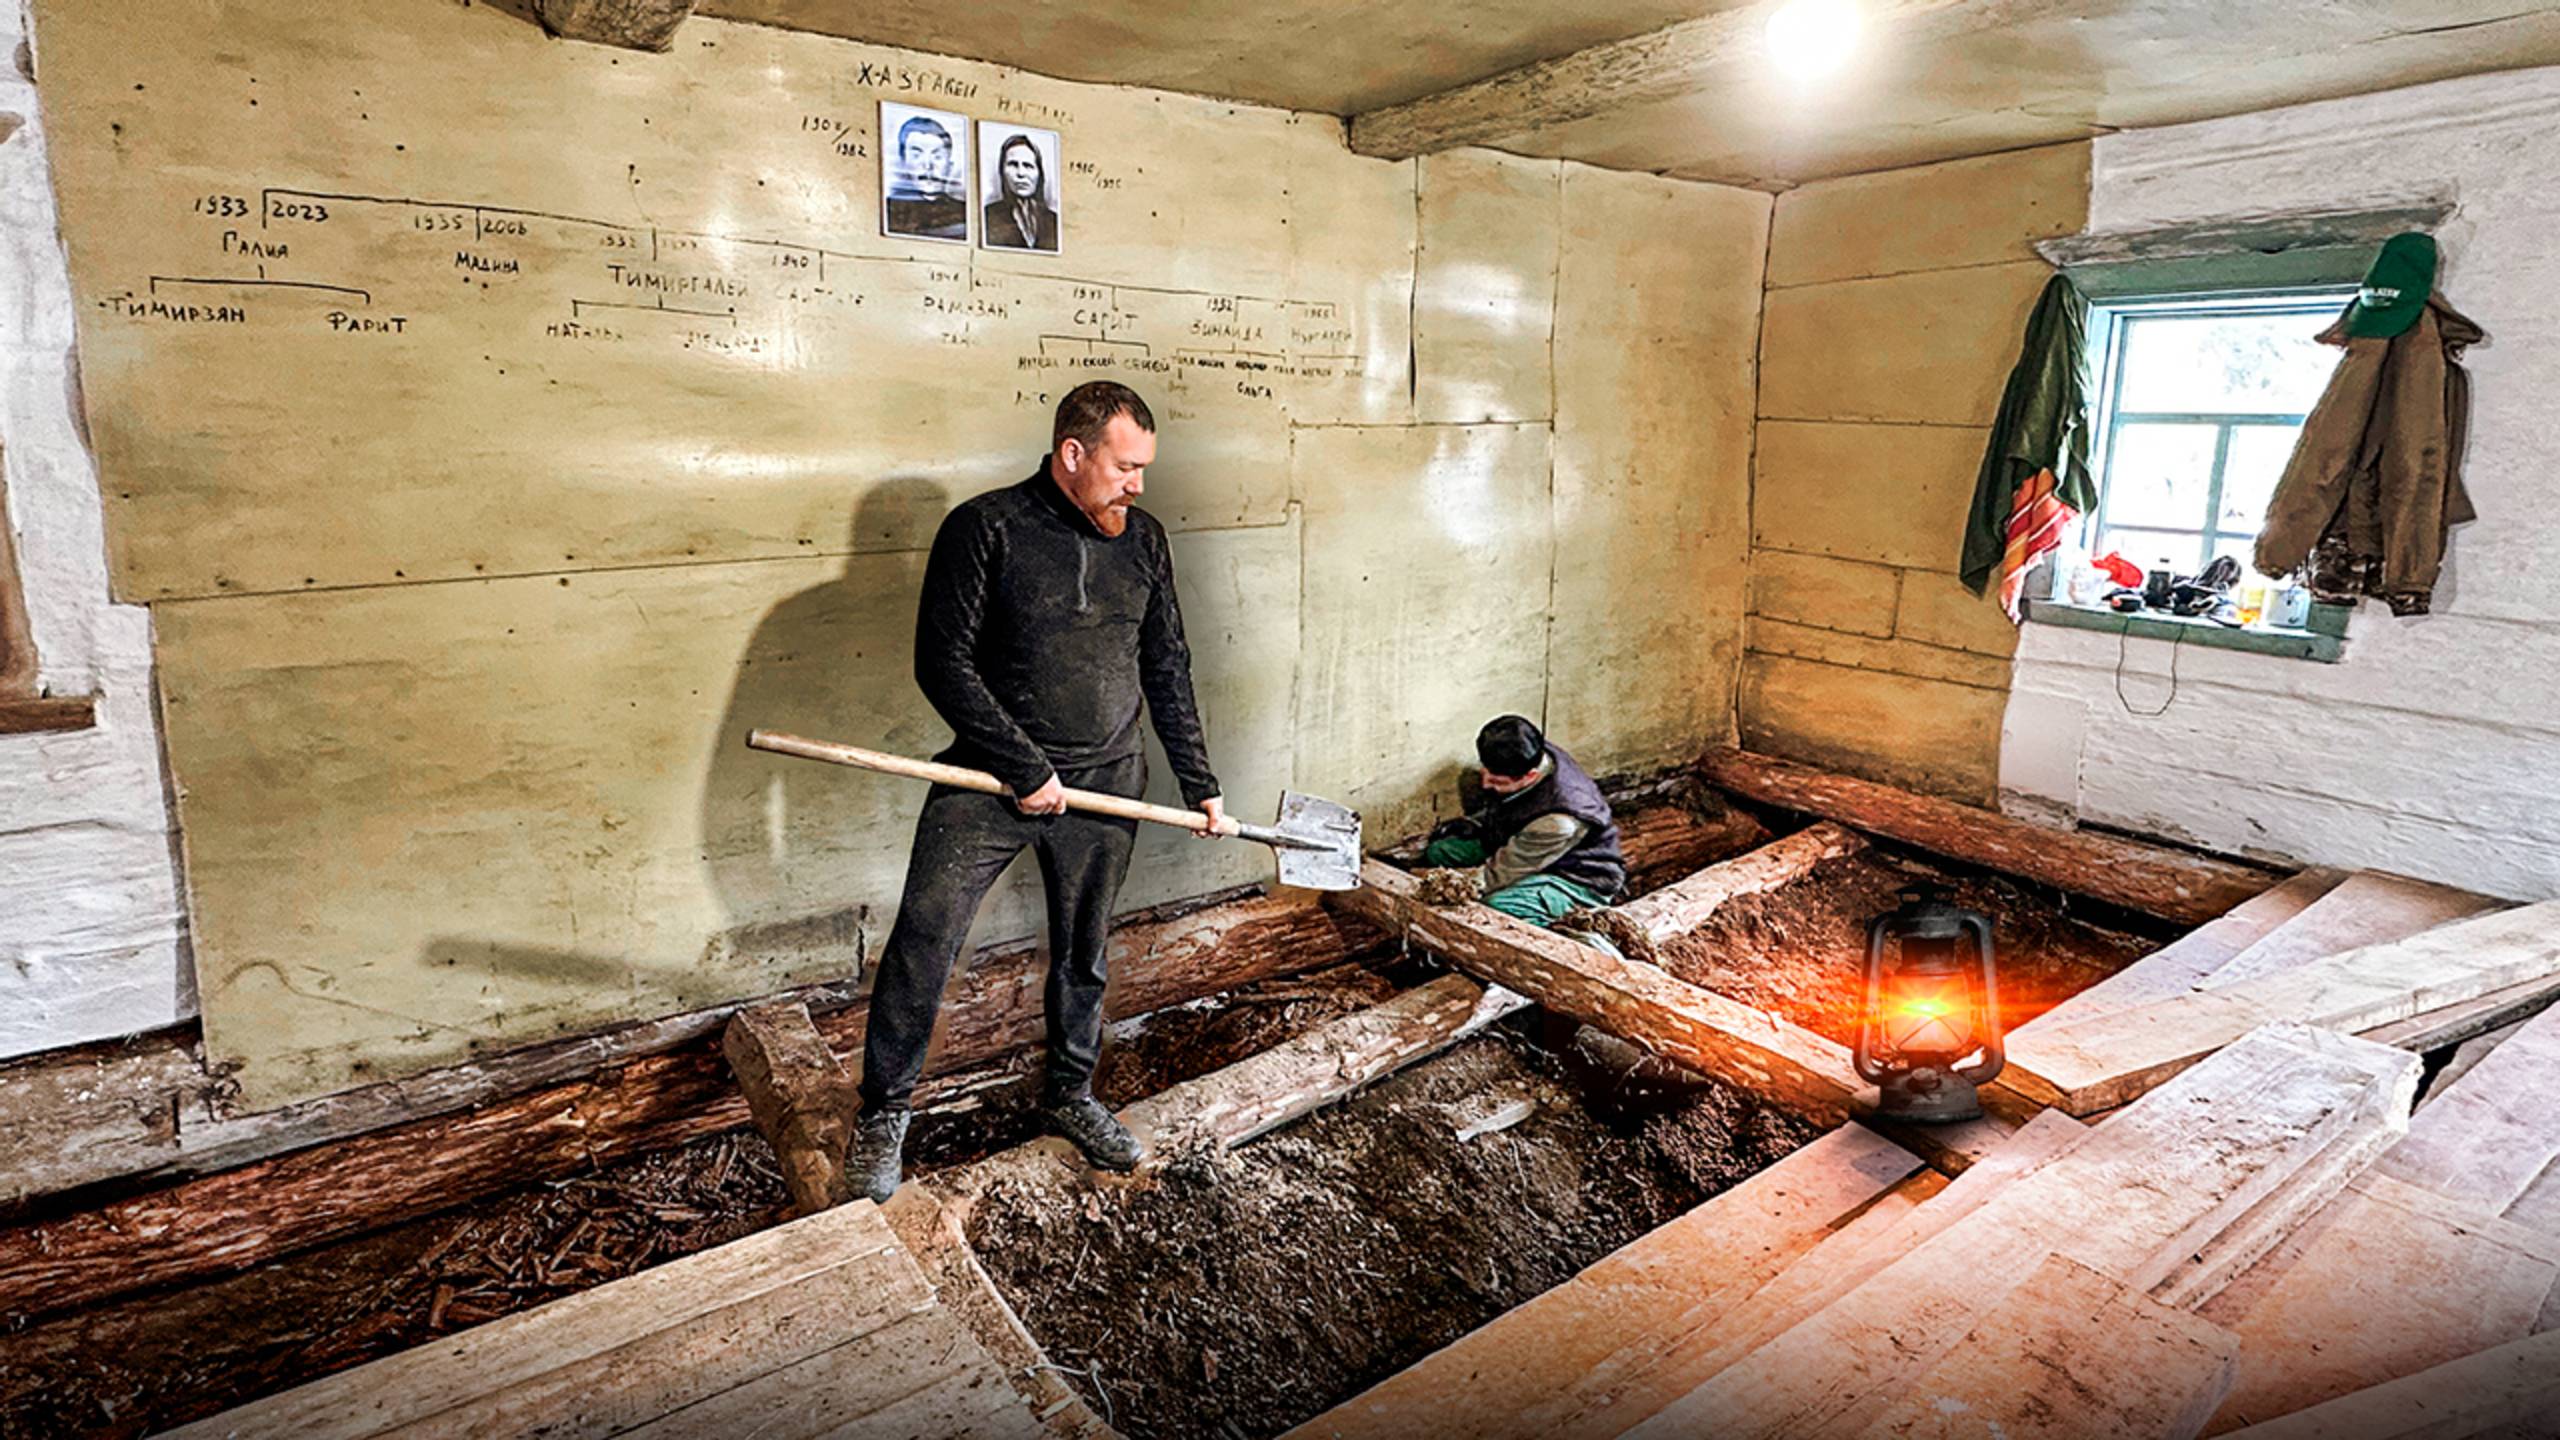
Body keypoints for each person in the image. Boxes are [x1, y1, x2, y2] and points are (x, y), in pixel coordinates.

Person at [853, 381, 1223, 1201]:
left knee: (1083, 952)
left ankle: (1070, 1095)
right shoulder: (986, 529)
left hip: (1107, 785)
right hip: (988, 776)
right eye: (1125, 468)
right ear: (1073, 455)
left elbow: (1167, 667)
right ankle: (883, 1115)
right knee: (923, 941)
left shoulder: (1146, 541)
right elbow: (940, 663)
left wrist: (1201, 785)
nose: (1137, 485)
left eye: (1142, 471)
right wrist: (1025, 770)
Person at [1420, 715, 1627, 927]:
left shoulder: (1559, 821)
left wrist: (1452, 886)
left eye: (1497, 781)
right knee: (1439, 852)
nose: (1485, 783)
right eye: (1486, 771)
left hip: (1576, 877)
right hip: (1521, 841)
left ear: (1530, 776)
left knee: (1497, 907)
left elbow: (1497, 874)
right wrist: (1478, 824)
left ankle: (1567, 932)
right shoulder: (1529, 750)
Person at [884, 114, 966, 241]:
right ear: (903, 162)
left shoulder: (964, 213)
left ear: (949, 165)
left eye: (937, 156)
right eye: (917, 155)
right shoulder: (887, 211)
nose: (928, 166)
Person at [982, 133, 1060, 253]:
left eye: (1028, 166)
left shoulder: (1054, 222)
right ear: (1002, 171)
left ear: (1039, 173)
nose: (1021, 173)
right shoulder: (987, 216)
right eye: (1013, 165)